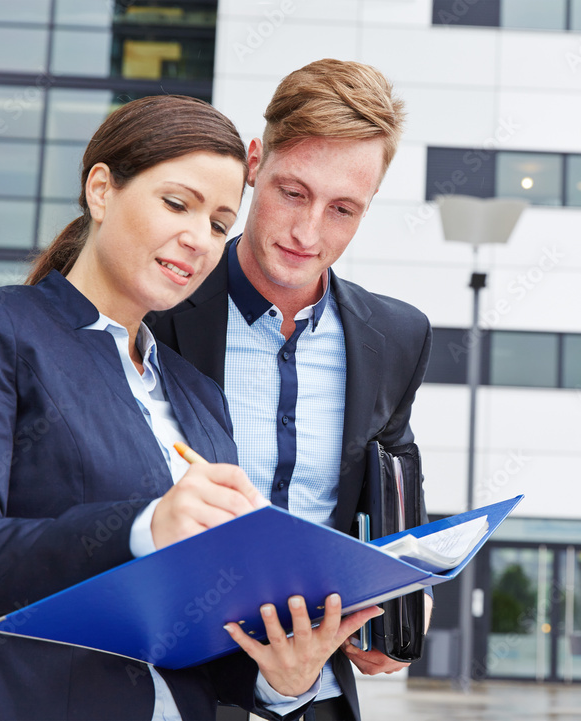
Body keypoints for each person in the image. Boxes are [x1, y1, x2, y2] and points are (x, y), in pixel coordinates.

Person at [0, 94, 379, 721]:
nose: (197, 239)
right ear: (102, 191)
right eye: (178, 203)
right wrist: (143, 528)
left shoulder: (200, 398)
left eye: (218, 223)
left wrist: (284, 676)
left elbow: (202, 637)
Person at [148, 60, 434, 721]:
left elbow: (392, 498)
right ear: (254, 162)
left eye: (342, 210)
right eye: (293, 192)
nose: (308, 234)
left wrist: (403, 600)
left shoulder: (396, 335)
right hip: (176, 684)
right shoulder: (163, 303)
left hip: (317, 696)